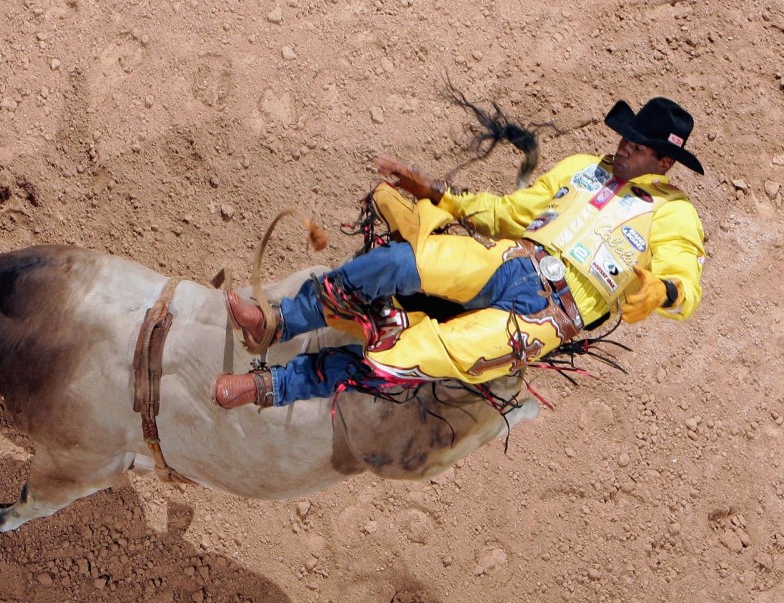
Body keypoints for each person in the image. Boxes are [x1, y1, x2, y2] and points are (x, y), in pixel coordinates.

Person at [212, 96, 707, 409]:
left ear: (664, 163)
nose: (624, 147)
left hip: (548, 315)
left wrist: (661, 291)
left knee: (406, 359)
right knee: (397, 263)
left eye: (639, 147)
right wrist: (437, 196)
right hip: (506, 261)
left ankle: (272, 387)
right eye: (626, 137)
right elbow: (510, 213)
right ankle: (276, 322)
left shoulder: (676, 215)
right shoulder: (581, 167)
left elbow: (686, 289)